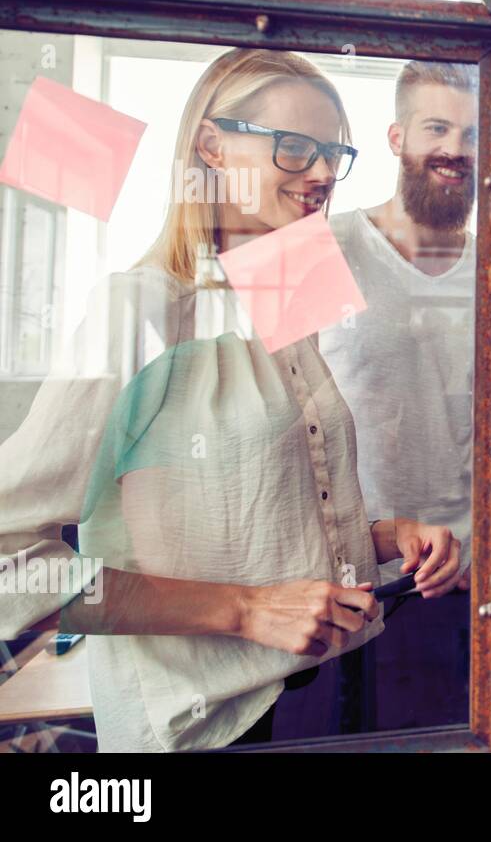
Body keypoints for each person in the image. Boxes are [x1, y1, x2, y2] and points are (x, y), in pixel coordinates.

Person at [0, 48, 459, 751]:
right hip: (210, 726)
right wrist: (244, 611)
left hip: (325, 690)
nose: (324, 174)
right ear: (211, 146)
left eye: (335, 152)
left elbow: (252, 529)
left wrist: (387, 537)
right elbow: (10, 566)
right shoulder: (141, 309)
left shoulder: (281, 300)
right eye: (297, 148)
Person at [318, 60, 477, 730]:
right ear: (395, 136)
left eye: (472, 134)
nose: (455, 148)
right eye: (437, 127)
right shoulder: (323, 245)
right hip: (345, 577)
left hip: (466, 581)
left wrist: (489, 548)